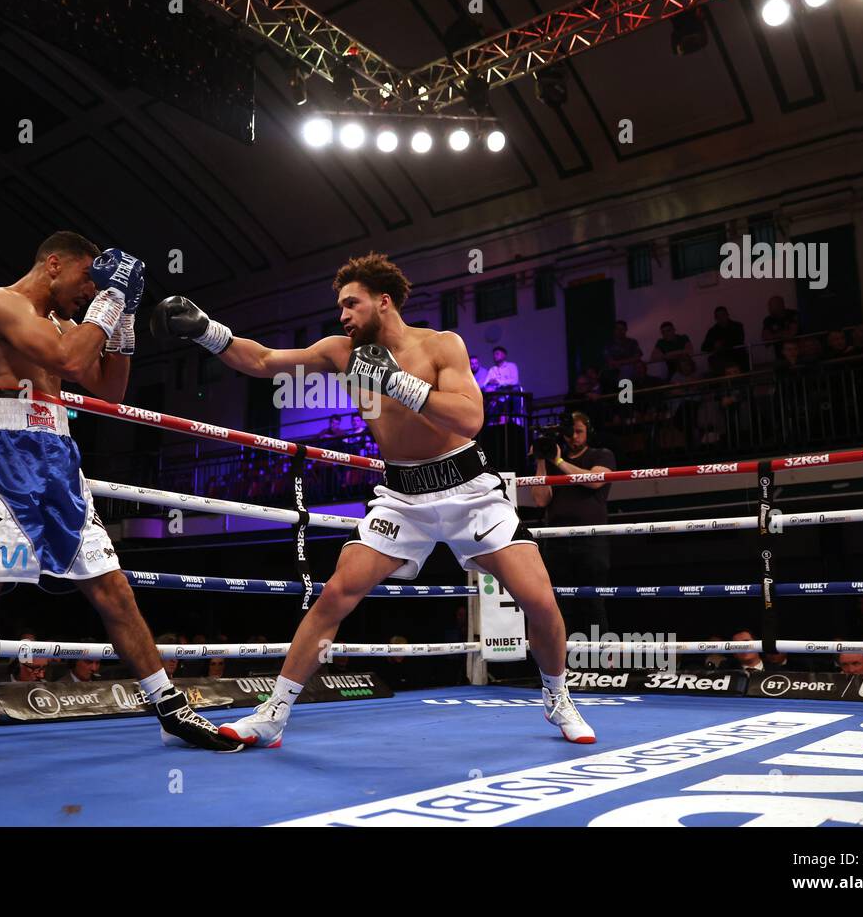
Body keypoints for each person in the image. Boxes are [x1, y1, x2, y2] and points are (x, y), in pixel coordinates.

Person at [153, 251, 594, 746]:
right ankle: (274, 712)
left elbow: (470, 419)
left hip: (470, 492)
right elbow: (262, 360)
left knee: (539, 600)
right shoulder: (341, 352)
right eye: (340, 307)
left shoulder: (440, 345)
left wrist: (396, 382)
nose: (342, 315)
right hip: (402, 496)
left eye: (351, 304)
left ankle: (558, 698)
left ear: (383, 302)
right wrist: (205, 330)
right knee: (335, 595)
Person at [0, 231, 239, 768]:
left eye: (97, 288)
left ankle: (172, 710)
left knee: (114, 590)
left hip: (57, 452)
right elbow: (71, 361)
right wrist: (111, 298)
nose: (90, 292)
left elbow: (108, 390)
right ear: (53, 264)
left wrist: (121, 319)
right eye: (87, 280)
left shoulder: (66, 324)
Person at [528, 412, 615, 637]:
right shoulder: (552, 463)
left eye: (579, 432)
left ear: (589, 433)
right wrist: (541, 461)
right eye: (570, 432)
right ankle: (561, 664)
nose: (574, 437)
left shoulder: (602, 455)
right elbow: (540, 500)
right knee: (559, 604)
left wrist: (558, 461)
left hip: (590, 541)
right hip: (557, 542)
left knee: (592, 602)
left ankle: (601, 662)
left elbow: (595, 481)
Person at [701, 306, 746, 373]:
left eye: (723, 315)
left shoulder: (737, 326)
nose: (721, 318)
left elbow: (739, 340)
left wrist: (722, 344)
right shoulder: (713, 331)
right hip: (721, 359)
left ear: (727, 315)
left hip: (737, 356)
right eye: (718, 316)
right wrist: (714, 345)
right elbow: (704, 347)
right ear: (716, 318)